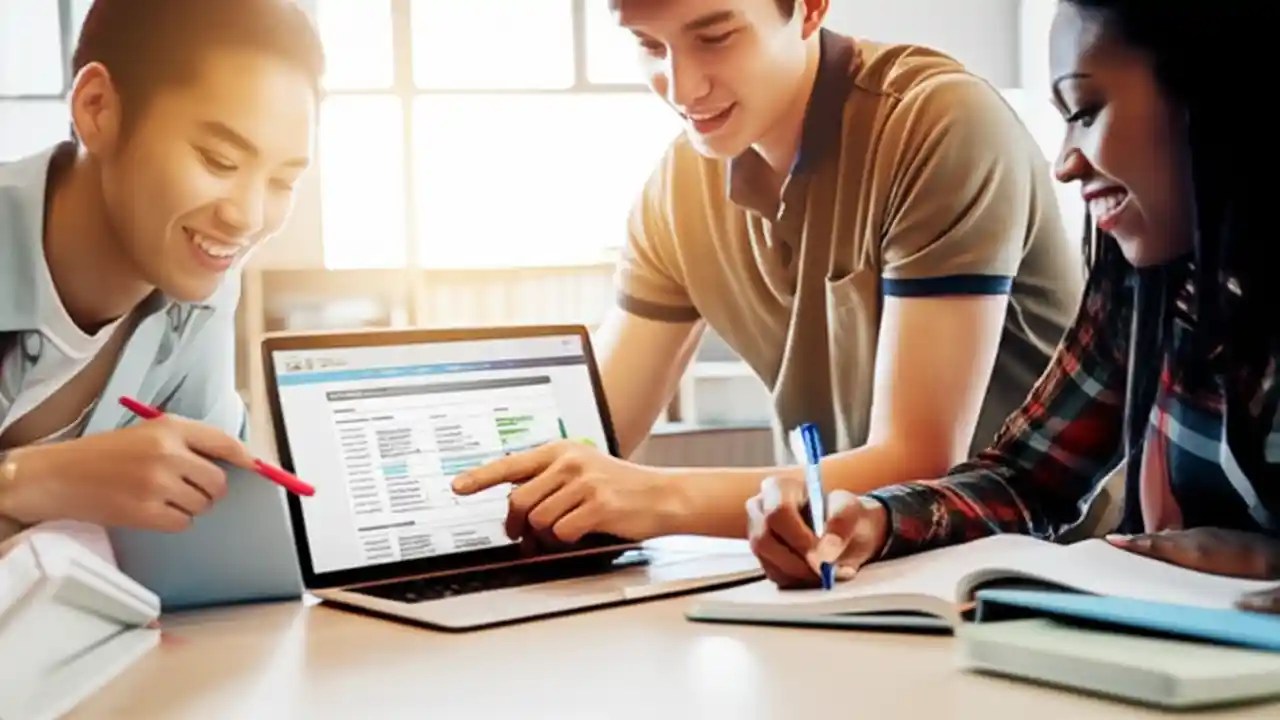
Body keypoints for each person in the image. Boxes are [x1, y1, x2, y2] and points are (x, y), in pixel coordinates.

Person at [451, 0, 1080, 545]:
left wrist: (656, 499)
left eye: (715, 37)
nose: (681, 87)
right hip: (835, 570)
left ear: (809, 8)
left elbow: (920, 462)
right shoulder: (680, 186)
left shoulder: (937, 121)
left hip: (1035, 565)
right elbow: (593, 431)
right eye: (649, 45)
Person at [746, 0, 1280, 614]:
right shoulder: (1143, 286)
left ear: (1216, 88)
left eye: (1084, 111)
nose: (1064, 164)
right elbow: (1028, 479)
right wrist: (877, 519)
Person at [0, 0, 324, 541]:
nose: (245, 217)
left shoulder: (200, 286)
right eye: (219, 161)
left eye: (281, 182)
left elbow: (208, 529)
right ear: (98, 107)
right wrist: (30, 480)